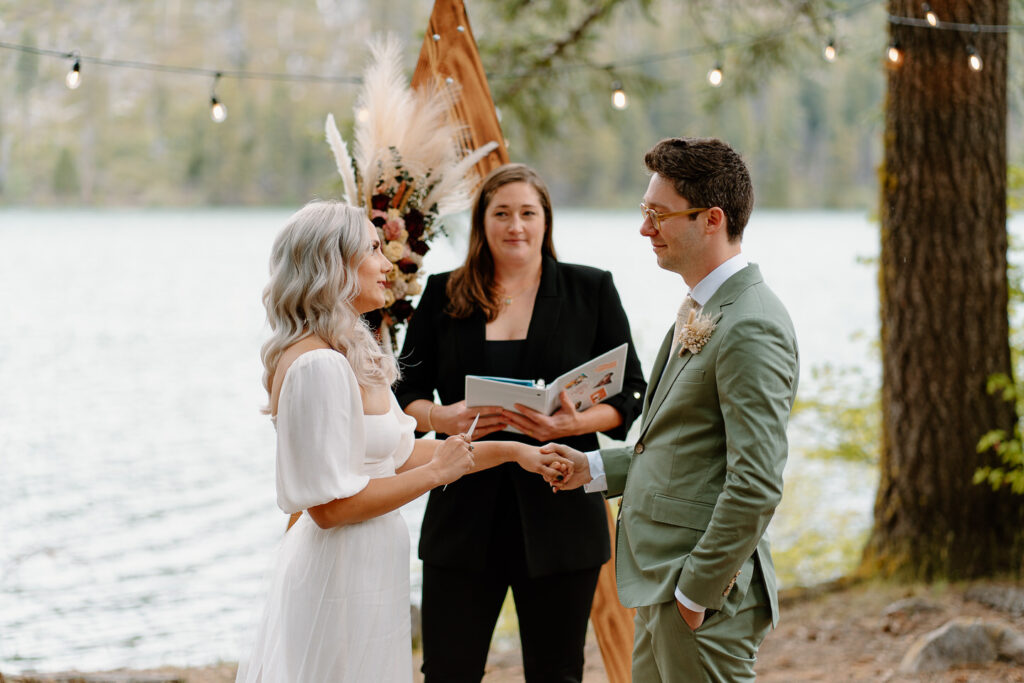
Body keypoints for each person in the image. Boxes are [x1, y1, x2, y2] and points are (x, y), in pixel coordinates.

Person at [235, 201, 569, 683]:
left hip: (369, 568)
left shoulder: (352, 347)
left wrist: (515, 453)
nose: (389, 264)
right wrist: (437, 475)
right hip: (337, 573)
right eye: (373, 250)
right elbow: (328, 508)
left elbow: (402, 453)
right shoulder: (318, 365)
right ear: (335, 262)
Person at [543, 137, 800, 682]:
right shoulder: (702, 307)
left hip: (700, 595)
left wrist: (695, 592)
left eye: (658, 215)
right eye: (644, 212)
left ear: (711, 219)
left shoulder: (751, 323)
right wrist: (587, 468)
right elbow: (675, 448)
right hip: (663, 582)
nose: (644, 228)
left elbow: (755, 482)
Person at [395, 163, 647, 682]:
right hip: (462, 510)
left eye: (527, 213)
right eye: (501, 213)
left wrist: (567, 426)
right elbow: (403, 393)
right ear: (482, 222)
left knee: (556, 675)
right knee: (447, 672)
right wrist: (441, 416)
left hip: (559, 510)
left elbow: (631, 393)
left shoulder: (590, 289)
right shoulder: (443, 294)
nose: (515, 226)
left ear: (545, 220)